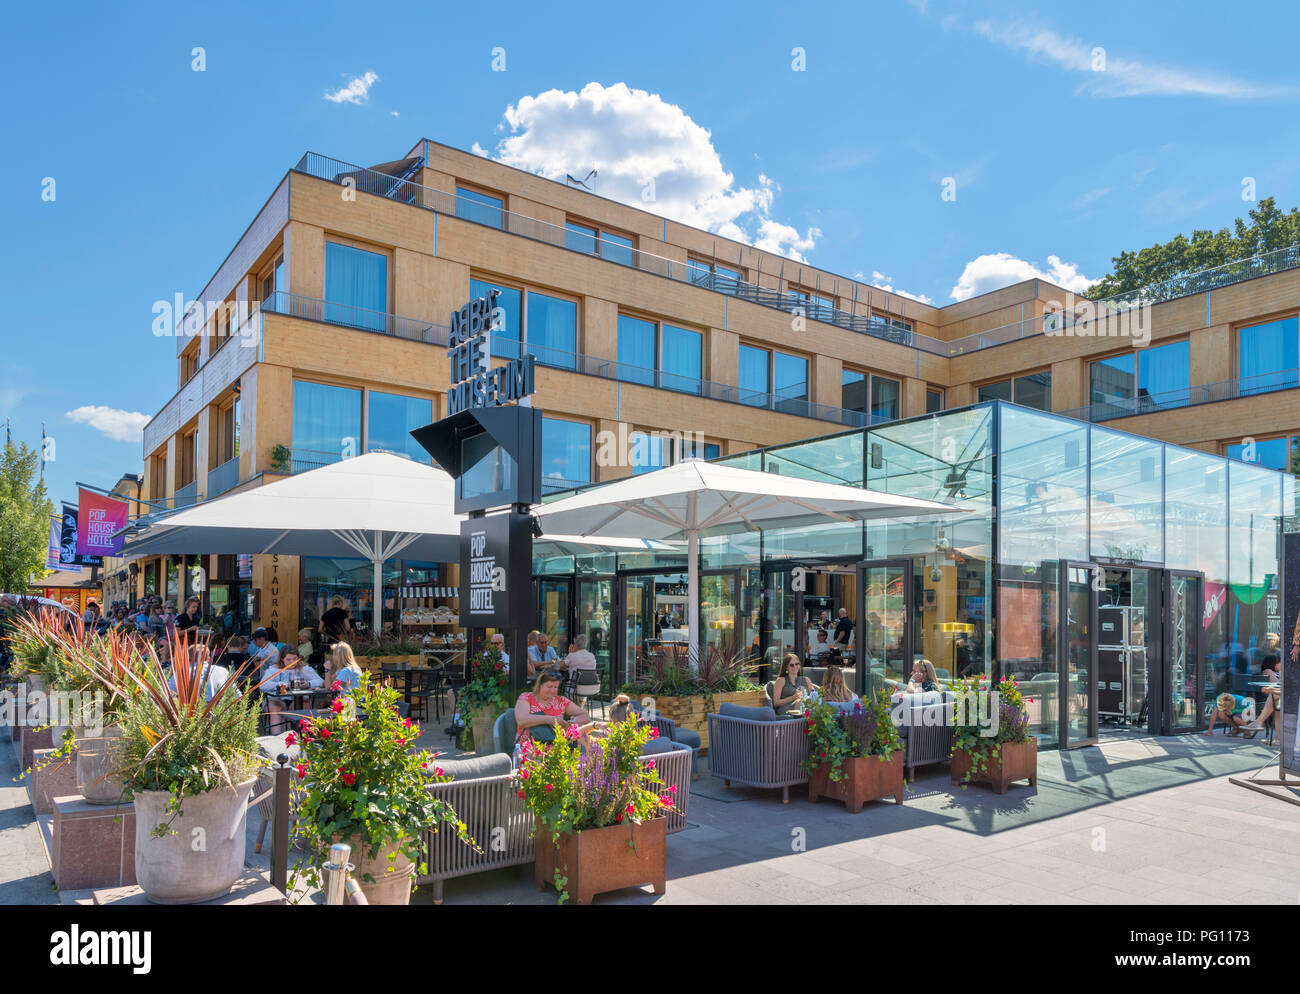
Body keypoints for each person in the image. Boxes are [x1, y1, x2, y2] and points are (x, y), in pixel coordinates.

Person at [514, 671, 593, 753]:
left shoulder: (561, 701)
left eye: (555, 687)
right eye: (549, 687)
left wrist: (571, 722)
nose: (552, 690)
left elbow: (585, 716)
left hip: (556, 749)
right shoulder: (526, 697)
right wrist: (551, 719)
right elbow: (521, 720)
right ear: (540, 685)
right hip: (529, 749)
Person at [167, 644, 236, 702]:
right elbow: (236, 693)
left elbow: (169, 695)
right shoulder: (223, 671)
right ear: (208, 658)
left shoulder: (182, 673)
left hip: (193, 714)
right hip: (219, 713)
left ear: (187, 659)